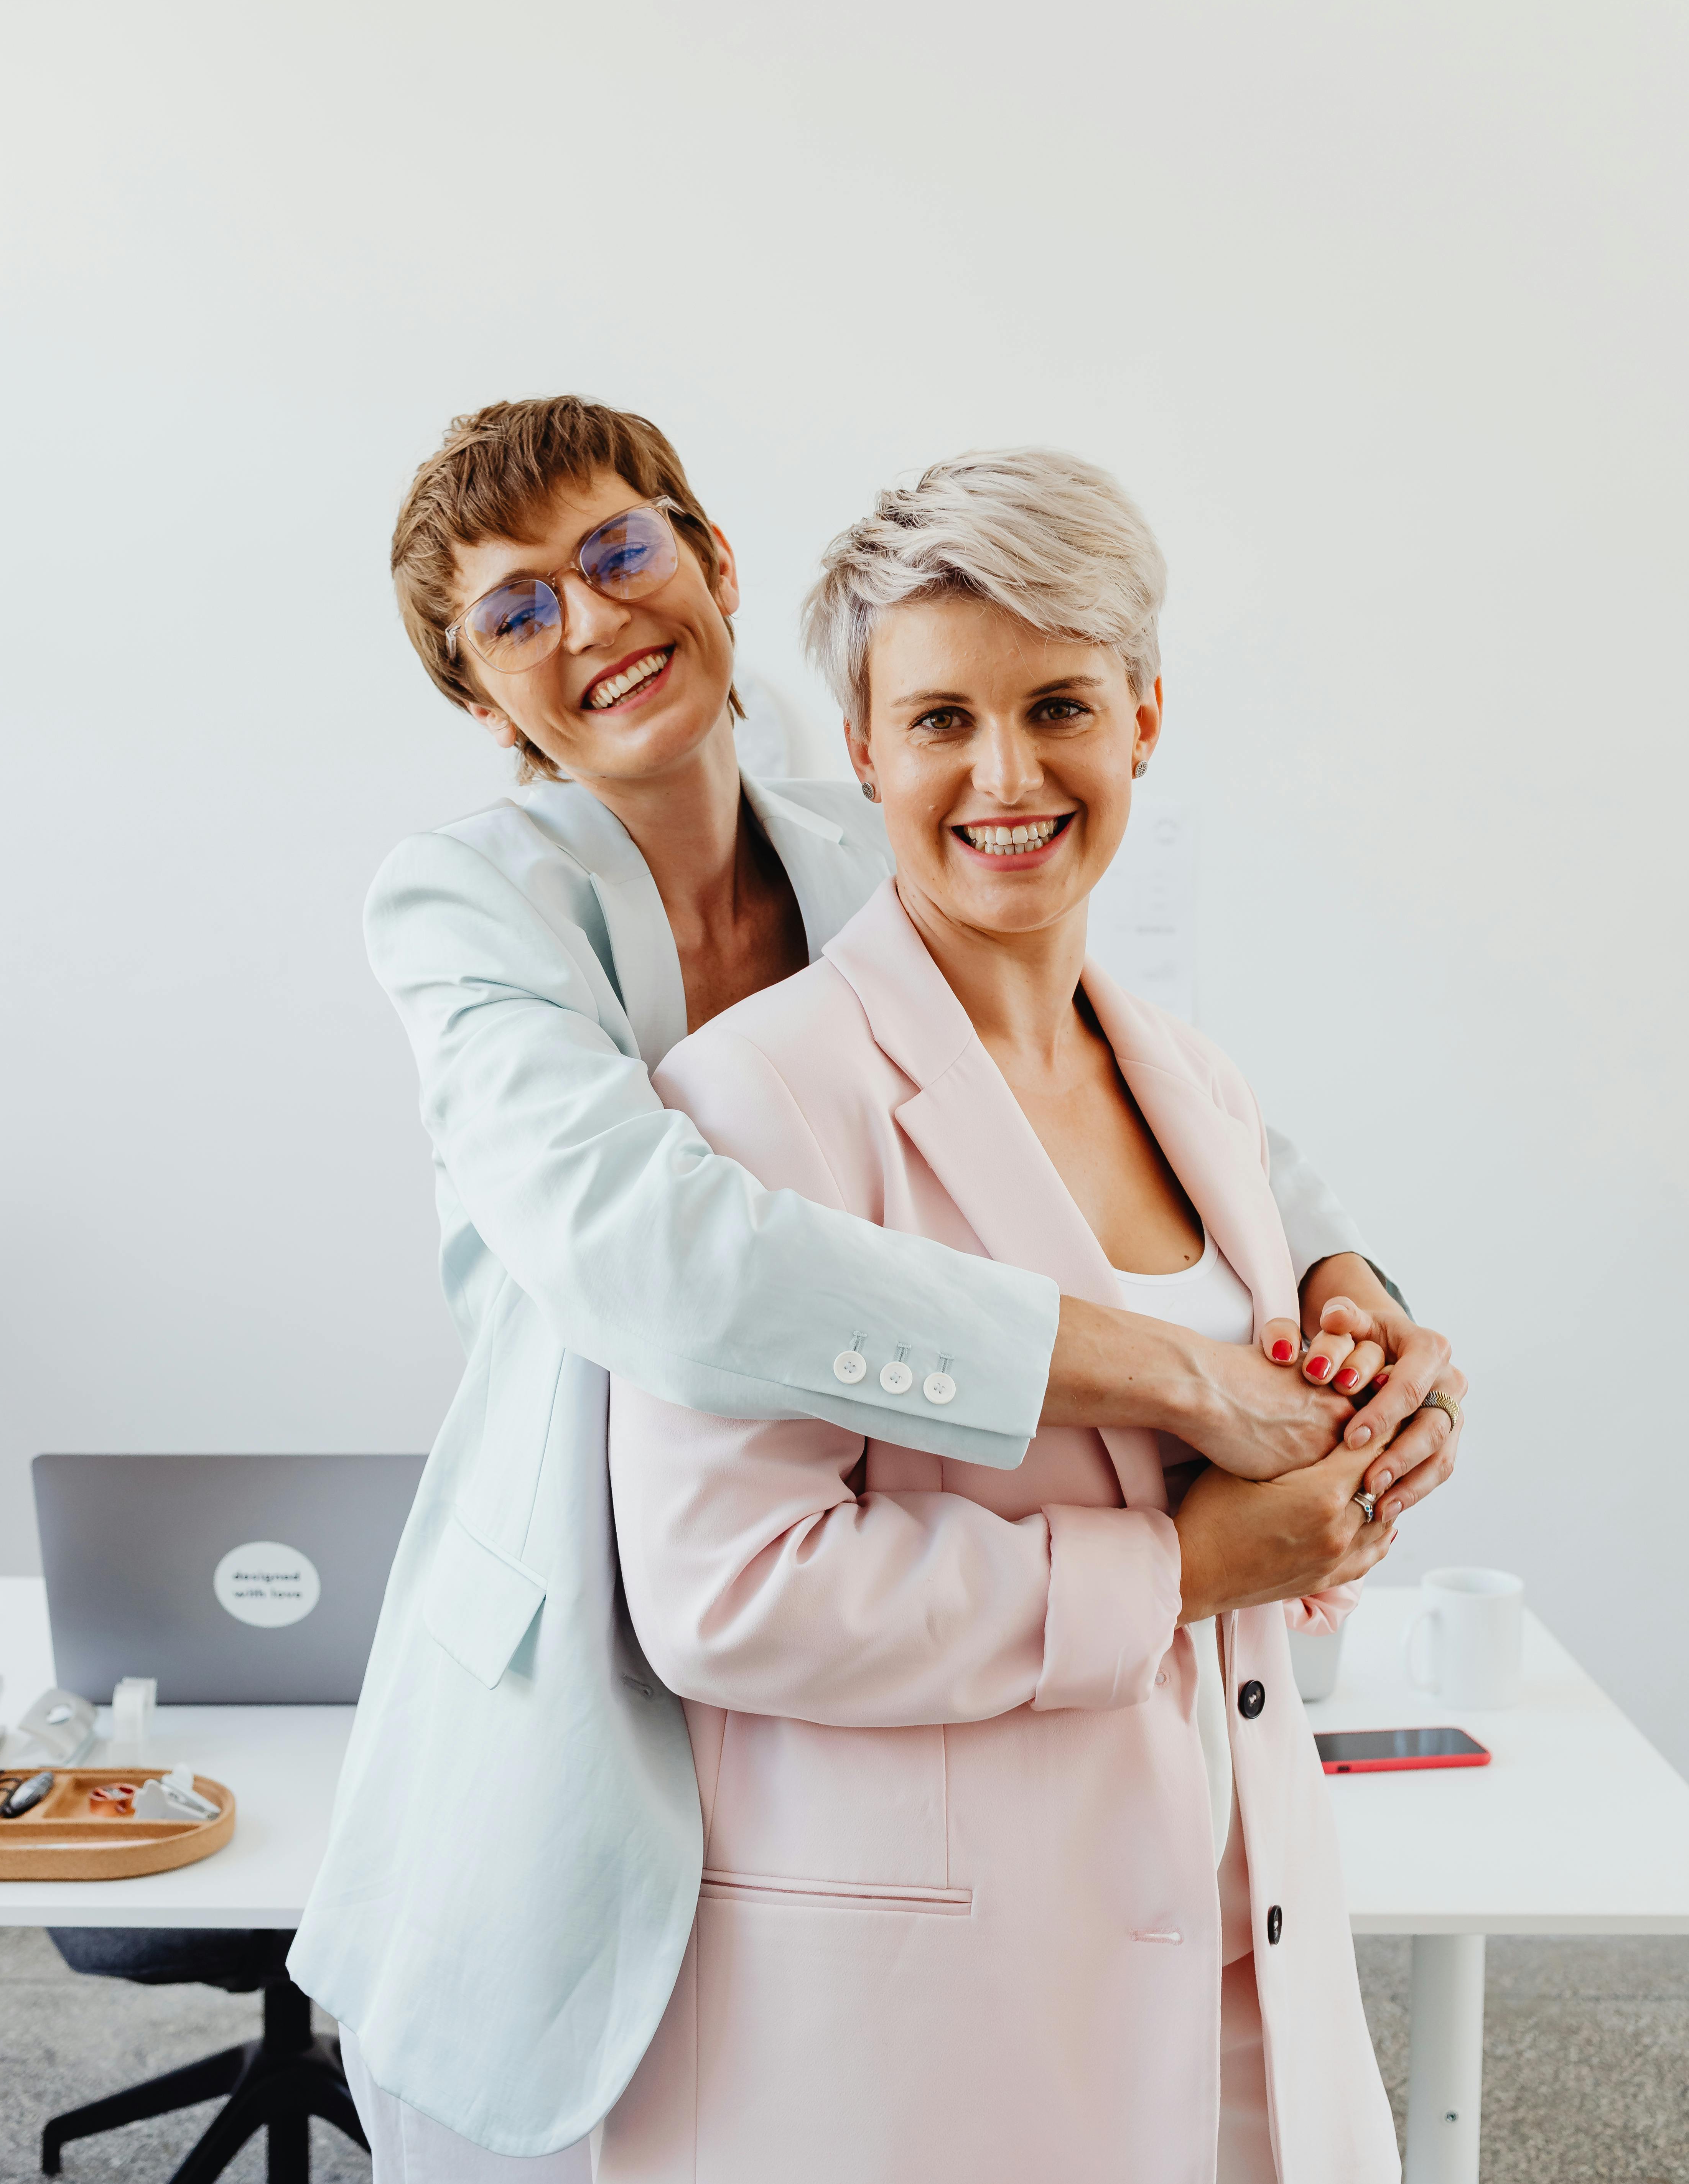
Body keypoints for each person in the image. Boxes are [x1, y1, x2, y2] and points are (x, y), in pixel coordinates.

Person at [288, 397, 1463, 2168]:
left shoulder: (883, 830)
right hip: (603, 1630)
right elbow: (660, 1258)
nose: (592, 622)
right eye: (516, 612)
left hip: (975, 1761)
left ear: (711, 559)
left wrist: (1345, 1283)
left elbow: (1165, 1093)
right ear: (477, 695)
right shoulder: (471, 906)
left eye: (619, 552)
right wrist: (1166, 1380)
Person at [600, 450, 1404, 2181]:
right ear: (867, 750)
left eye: (1057, 705)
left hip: (1236, 1922)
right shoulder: (763, 1095)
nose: (1006, 773)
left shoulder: (1194, 1081)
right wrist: (1177, 1573)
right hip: (937, 2000)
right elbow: (725, 1594)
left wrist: (1360, 1430)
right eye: (944, 719)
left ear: (1143, 721)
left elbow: (1230, 1474)